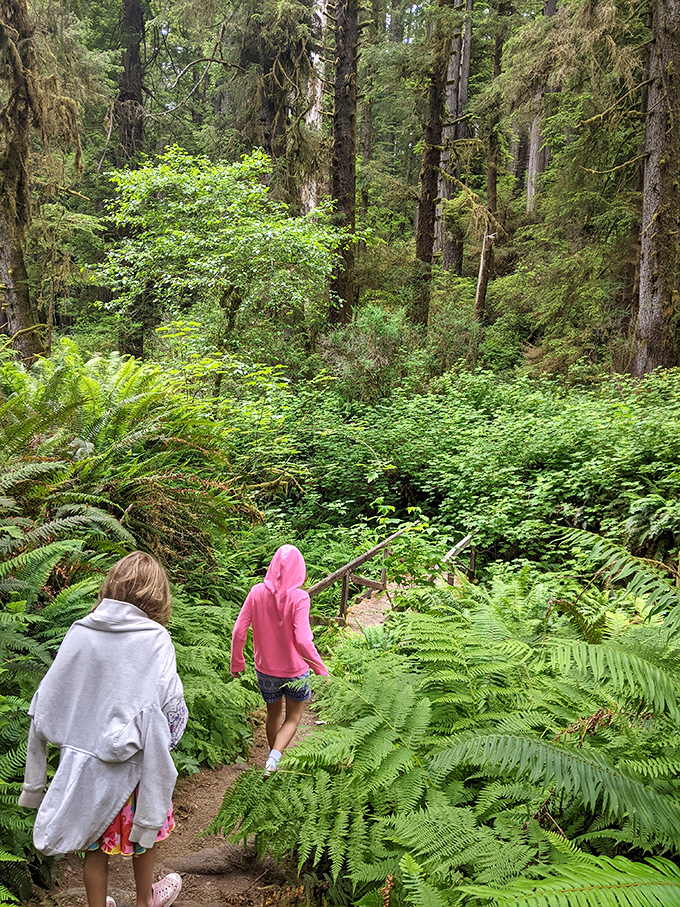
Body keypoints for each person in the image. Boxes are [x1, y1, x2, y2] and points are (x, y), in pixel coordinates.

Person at [19, 552, 188, 907]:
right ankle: (145, 900)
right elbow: (171, 703)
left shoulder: (81, 630)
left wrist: (35, 784)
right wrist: (167, 743)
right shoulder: (155, 638)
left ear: (111, 584)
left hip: (85, 770)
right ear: (158, 595)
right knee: (145, 840)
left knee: (94, 844)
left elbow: (48, 699)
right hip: (135, 768)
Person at [230, 544, 329, 776]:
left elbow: (238, 631)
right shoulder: (300, 598)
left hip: (266, 670)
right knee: (293, 718)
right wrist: (320, 669)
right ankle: (274, 759)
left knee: (273, 715)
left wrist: (237, 663)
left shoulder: (256, 592)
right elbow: (304, 640)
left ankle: (272, 762)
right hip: (295, 670)